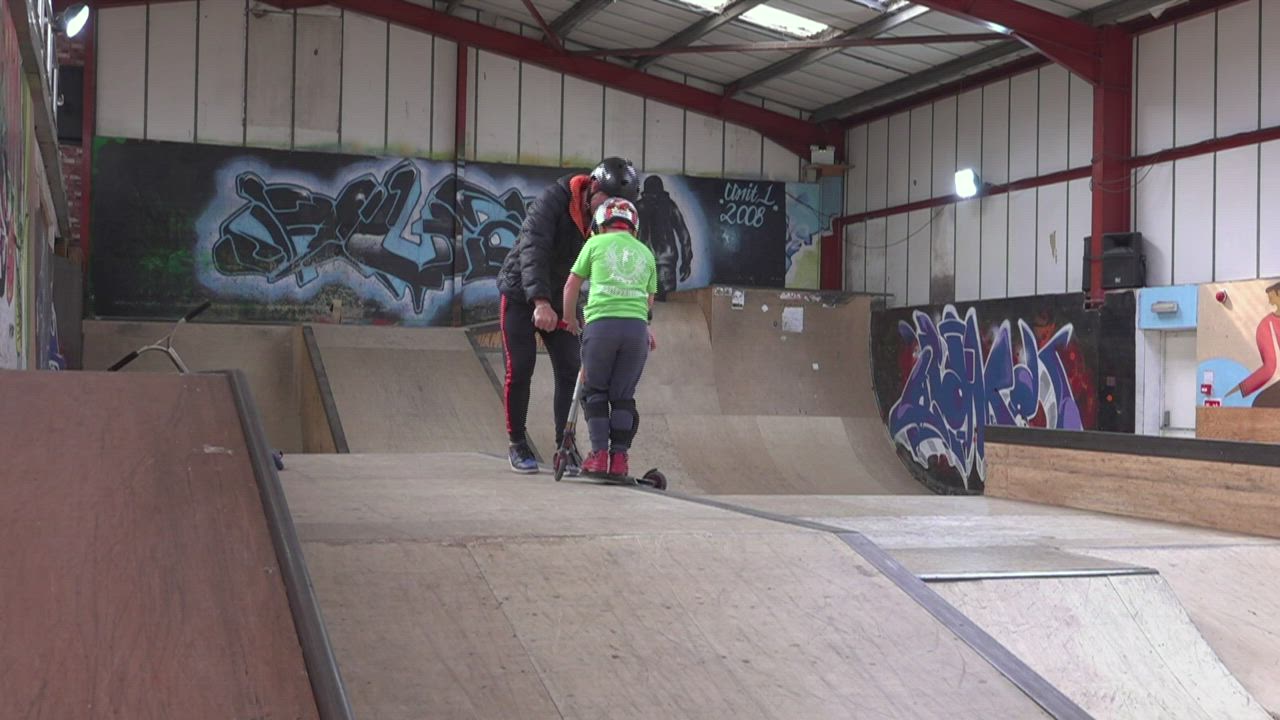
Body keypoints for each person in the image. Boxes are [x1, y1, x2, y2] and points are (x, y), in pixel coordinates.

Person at [496, 157, 640, 473]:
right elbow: (532, 249)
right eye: (606, 200)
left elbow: (616, 266)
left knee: (572, 369)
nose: (608, 209)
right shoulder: (554, 200)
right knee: (520, 368)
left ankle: (566, 445)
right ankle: (517, 443)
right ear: (591, 187)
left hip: (563, 300)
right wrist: (541, 303)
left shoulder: (607, 222)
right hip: (522, 294)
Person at [562, 197, 658, 478]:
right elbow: (648, 301)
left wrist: (569, 319)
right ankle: (619, 460)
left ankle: (598, 455)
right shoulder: (646, 253)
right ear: (633, 226)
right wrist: (639, 325)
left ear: (600, 224)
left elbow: (571, 286)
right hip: (636, 332)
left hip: (601, 327)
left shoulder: (593, 244)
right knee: (623, 396)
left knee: (596, 392)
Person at [635, 175, 692, 299]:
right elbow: (684, 236)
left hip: (642, 263)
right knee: (667, 304)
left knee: (643, 305)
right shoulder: (670, 206)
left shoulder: (637, 207)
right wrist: (686, 262)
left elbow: (627, 237)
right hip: (667, 263)